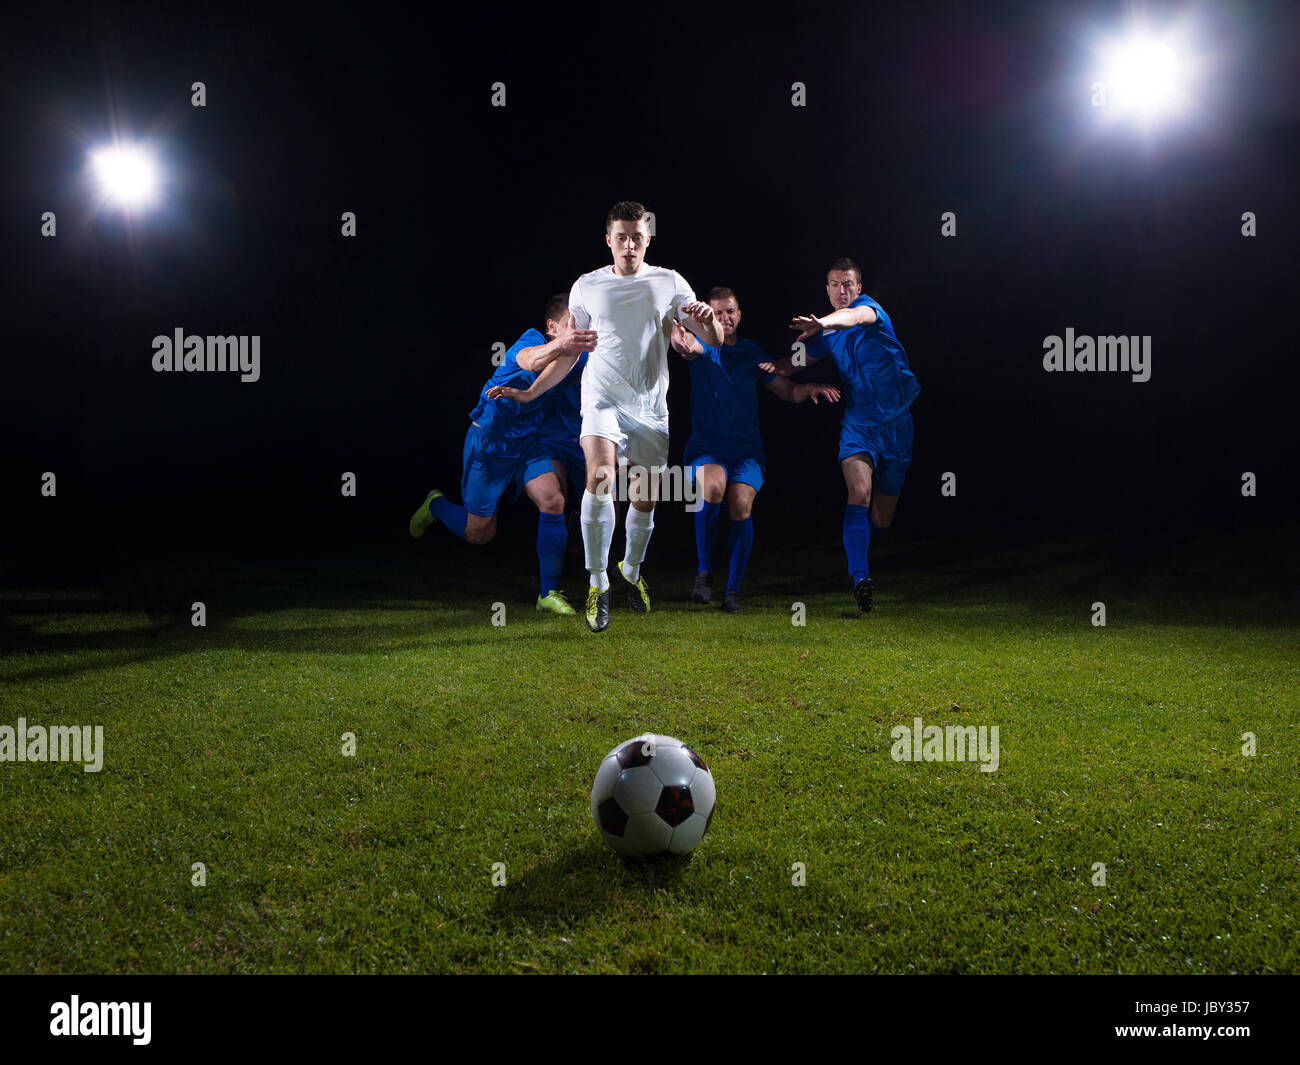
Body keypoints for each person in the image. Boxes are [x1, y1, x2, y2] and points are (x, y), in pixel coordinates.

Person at [566, 201, 724, 632]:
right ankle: (597, 581)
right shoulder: (586, 287)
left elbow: (714, 337)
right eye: (622, 237)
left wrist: (708, 323)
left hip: (651, 408)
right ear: (608, 240)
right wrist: (537, 381)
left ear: (647, 238)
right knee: (600, 478)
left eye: (637, 237)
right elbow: (571, 344)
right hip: (601, 399)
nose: (630, 245)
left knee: (646, 497)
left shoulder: (669, 282)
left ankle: (630, 570)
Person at [408, 295, 594, 615]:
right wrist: (565, 345)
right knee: (480, 533)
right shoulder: (532, 341)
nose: (577, 331)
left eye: (582, 326)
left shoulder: (575, 357)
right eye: (570, 325)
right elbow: (534, 361)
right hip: (489, 445)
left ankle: (547, 594)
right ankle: (435, 504)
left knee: (554, 501)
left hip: (527, 445)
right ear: (552, 327)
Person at [670, 286, 840, 613]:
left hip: (746, 452)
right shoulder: (702, 346)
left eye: (730, 311)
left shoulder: (752, 353)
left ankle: (732, 591)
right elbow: (687, 347)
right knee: (713, 487)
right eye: (718, 313)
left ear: (739, 314)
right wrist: (683, 340)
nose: (725, 318)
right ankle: (704, 574)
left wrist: (810, 388)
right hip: (707, 447)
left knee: (741, 503)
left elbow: (787, 390)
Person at [772, 258, 919, 612]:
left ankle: (864, 546)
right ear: (827, 289)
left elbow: (852, 317)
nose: (842, 291)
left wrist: (822, 322)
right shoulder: (826, 335)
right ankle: (860, 580)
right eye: (835, 285)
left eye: (848, 284)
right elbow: (790, 364)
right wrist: (759, 367)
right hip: (858, 425)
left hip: (897, 425)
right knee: (859, 491)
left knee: (882, 518)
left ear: (859, 289)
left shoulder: (870, 311)